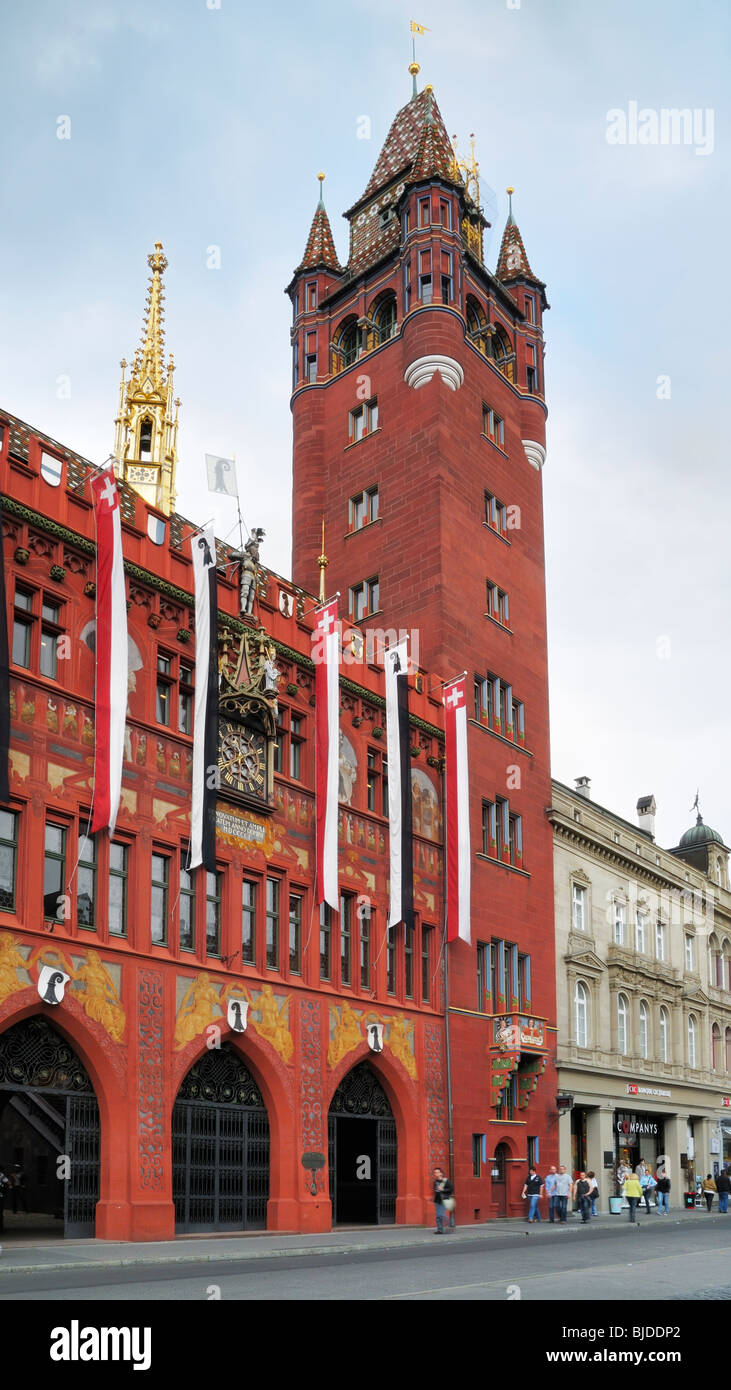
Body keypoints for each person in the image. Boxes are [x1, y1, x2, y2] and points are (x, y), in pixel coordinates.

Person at [432, 1167, 454, 1234]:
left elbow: (451, 1189)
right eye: (435, 1172)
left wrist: (443, 1190)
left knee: (441, 1215)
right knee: (438, 1216)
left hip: (444, 1200)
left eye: (437, 1172)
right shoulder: (435, 1181)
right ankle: (440, 1230)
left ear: (441, 1173)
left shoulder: (446, 1181)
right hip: (437, 1200)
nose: (436, 1173)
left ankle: (451, 1224)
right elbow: (435, 1190)